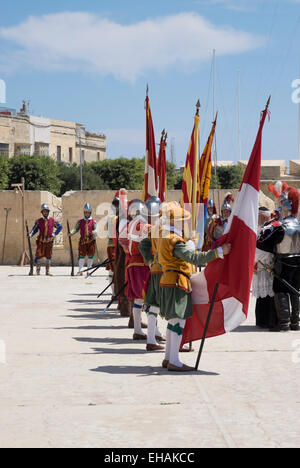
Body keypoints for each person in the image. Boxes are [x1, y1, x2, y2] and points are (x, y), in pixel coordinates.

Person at [158, 201, 231, 372]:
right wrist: (219, 252)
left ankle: (169, 357)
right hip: (177, 282)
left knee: (172, 321)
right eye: (180, 220)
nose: (183, 222)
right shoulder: (174, 240)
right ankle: (174, 360)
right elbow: (194, 259)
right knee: (179, 321)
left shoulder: (163, 237)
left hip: (168, 280)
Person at [257, 187, 300, 331]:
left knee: (280, 290)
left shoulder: (279, 226)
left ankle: (285, 323)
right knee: (295, 290)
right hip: (298, 263)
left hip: (283, 263)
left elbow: (262, 243)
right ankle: (296, 322)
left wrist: (273, 249)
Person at [119, 199, 151, 340]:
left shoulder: (129, 225)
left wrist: (128, 250)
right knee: (150, 299)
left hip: (132, 264)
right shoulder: (146, 226)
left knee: (138, 299)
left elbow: (122, 240)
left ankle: (138, 330)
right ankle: (153, 332)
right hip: (143, 265)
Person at [139, 196, 165, 351]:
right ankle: (177, 343)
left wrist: (150, 261)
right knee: (174, 307)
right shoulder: (155, 229)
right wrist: (150, 261)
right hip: (162, 271)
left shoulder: (157, 228)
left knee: (154, 305)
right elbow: (143, 245)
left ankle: (152, 337)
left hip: (158, 269)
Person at [253, 207, 278, 329]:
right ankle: (266, 320)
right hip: (267, 265)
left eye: (257, 217)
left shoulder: (266, 229)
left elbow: (259, 252)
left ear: (263, 217)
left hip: (266, 266)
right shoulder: (273, 226)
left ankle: (266, 320)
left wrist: (251, 258)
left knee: (267, 293)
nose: (256, 220)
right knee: (266, 293)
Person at [30, 204, 62, 276]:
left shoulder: (52, 220)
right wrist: (30, 234)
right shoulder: (39, 221)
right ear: (42, 212)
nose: (45, 213)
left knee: (48, 255)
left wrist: (55, 233)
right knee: (38, 255)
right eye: (44, 212)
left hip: (49, 241)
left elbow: (60, 227)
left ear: (48, 212)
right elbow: (34, 229)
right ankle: (38, 271)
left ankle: (47, 271)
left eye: (46, 211)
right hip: (41, 241)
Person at [69, 203, 97, 276]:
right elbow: (75, 229)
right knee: (81, 255)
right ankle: (80, 270)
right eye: (85, 212)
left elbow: (96, 229)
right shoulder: (80, 221)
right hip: (82, 241)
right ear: (84, 213)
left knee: (91, 255)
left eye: (88, 212)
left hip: (91, 241)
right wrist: (71, 233)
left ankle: (89, 270)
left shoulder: (93, 222)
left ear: (90, 212)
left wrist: (95, 232)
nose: (87, 214)